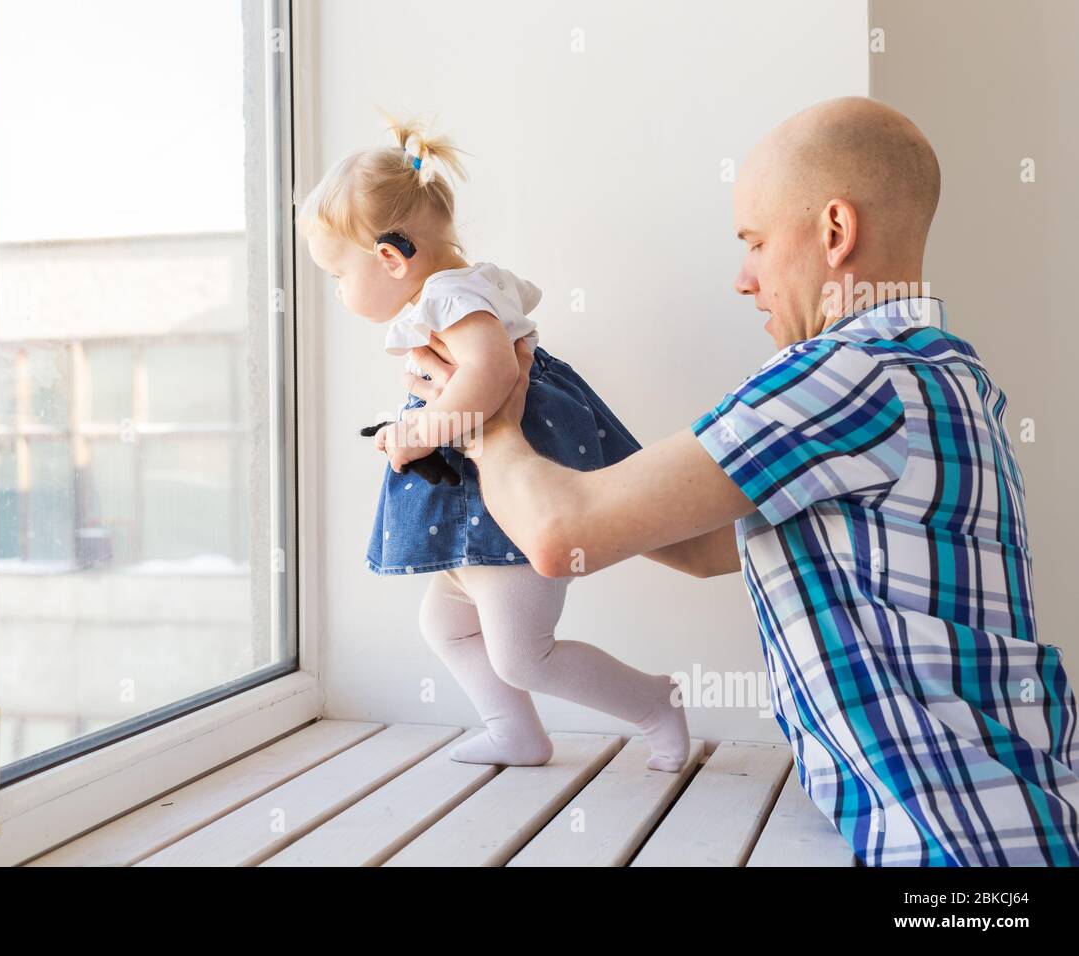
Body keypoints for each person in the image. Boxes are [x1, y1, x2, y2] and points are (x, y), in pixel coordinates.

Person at [411, 96, 1079, 866]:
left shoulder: (845, 373)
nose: (743, 278)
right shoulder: (943, 373)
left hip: (962, 856)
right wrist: (564, 429)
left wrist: (486, 419)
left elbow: (559, 538)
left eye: (756, 242)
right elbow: (698, 546)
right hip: (1001, 822)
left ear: (835, 231)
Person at [297, 117, 690, 772]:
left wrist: (420, 430)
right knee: (447, 623)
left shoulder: (450, 299)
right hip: (482, 506)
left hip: (508, 503)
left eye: (337, 274)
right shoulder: (464, 288)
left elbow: (492, 376)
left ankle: (655, 703)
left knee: (522, 653)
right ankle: (514, 732)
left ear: (390, 258)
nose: (337, 291)